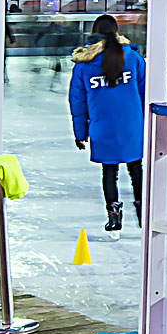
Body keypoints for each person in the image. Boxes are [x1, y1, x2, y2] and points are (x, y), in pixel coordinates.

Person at [71, 15, 149, 231]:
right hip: (132, 123)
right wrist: (146, 123)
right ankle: (143, 211)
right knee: (136, 168)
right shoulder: (133, 58)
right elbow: (145, 92)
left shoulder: (83, 65)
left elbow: (77, 101)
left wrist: (80, 133)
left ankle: (114, 214)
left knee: (109, 171)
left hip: (102, 125)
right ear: (116, 31)